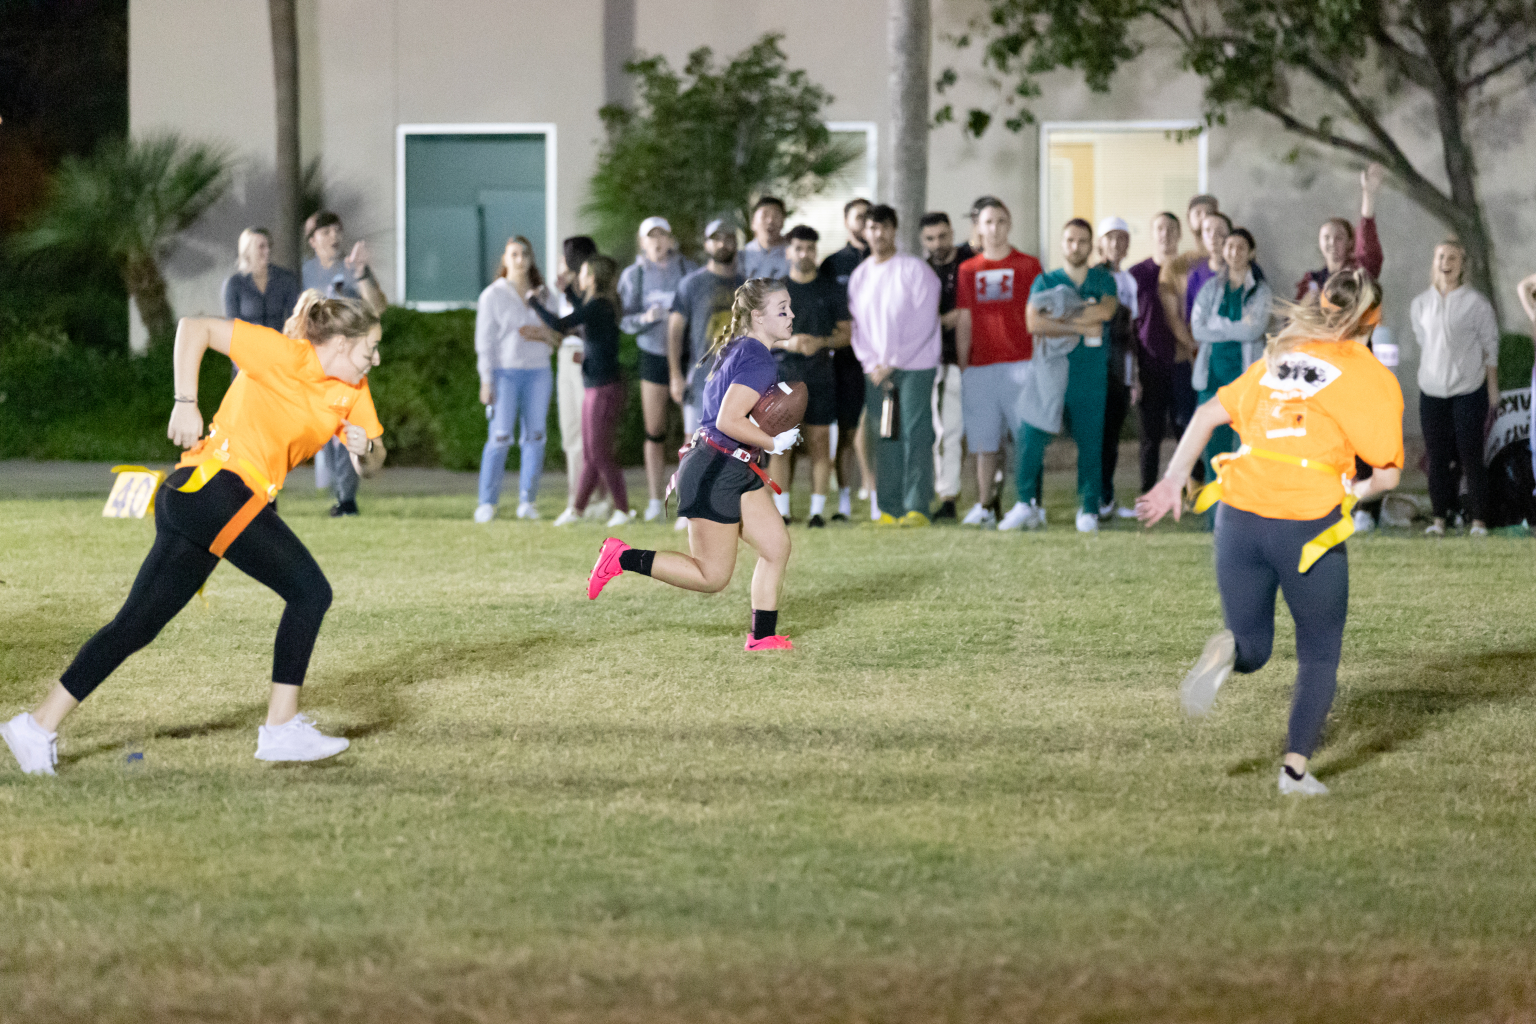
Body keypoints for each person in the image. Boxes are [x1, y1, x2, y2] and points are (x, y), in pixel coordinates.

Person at [1, 297, 388, 774]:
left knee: (136, 626)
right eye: (370, 349)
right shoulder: (285, 354)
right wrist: (185, 403)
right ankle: (281, 729)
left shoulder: (354, 389)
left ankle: (35, 727)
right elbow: (194, 327)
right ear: (343, 343)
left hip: (202, 502)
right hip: (214, 487)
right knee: (310, 592)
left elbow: (373, 463)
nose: (375, 359)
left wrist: (364, 449)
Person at [1137, 268, 1404, 797]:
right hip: (1305, 523)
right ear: (1372, 322)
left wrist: (1171, 481)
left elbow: (1207, 414)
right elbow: (1388, 476)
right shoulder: (1369, 374)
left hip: (1237, 515)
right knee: (1319, 652)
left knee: (1253, 647)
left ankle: (1227, 649)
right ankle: (1293, 773)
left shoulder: (1281, 355)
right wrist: (1352, 492)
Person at [586, 279, 801, 652]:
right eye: (782, 310)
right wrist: (773, 441)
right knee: (711, 576)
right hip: (715, 471)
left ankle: (762, 637)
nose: (791, 315)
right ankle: (621, 557)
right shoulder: (757, 358)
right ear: (757, 316)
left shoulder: (743, 347)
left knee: (776, 546)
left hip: (732, 465)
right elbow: (727, 420)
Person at [1011, 219, 1119, 532]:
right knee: (1030, 436)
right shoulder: (1046, 281)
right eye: (1070, 240)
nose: (1076, 246)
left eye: (1082, 241)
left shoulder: (1103, 280)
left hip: (1089, 375)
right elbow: (1034, 323)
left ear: (1091, 246)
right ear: (1062, 244)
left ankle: (1088, 508)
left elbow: (1105, 313)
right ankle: (1026, 503)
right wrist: (1080, 324)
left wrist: (1057, 316)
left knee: (1090, 444)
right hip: (1049, 374)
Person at [848, 205, 943, 526]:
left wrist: (894, 361)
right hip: (875, 370)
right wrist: (872, 363)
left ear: (894, 230)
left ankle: (917, 506)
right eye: (872, 228)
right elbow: (857, 327)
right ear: (865, 232)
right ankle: (889, 507)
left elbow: (924, 322)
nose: (878, 234)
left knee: (916, 433)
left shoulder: (915, 270)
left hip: (915, 366)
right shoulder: (860, 276)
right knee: (884, 435)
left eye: (884, 227)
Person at [954, 198, 1041, 526]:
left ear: (1009, 224)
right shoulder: (968, 270)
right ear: (978, 227)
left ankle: (1030, 504)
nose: (995, 228)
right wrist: (964, 364)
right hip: (980, 368)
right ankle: (984, 506)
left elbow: (1039, 315)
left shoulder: (1029, 265)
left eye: (1001, 221)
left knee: (1026, 441)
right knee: (983, 443)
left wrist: (1038, 363)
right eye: (988, 222)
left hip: (1022, 364)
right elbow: (964, 320)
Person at [530, 255, 632, 528]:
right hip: (594, 386)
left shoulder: (600, 305)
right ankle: (576, 510)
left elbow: (561, 324)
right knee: (590, 453)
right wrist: (567, 291)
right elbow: (581, 312)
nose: (580, 277)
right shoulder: (599, 305)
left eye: (584, 272)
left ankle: (622, 509)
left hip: (604, 388)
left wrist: (534, 304)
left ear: (593, 278)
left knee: (599, 452)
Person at [1411, 239, 1500, 536]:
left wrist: (1492, 389)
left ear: (1462, 265)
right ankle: (1439, 518)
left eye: (1452, 258)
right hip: (1432, 391)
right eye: (1441, 257)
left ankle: (1478, 520)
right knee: (1437, 458)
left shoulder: (1476, 303)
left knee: (1470, 456)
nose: (1445, 263)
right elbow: (1424, 341)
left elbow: (1490, 347)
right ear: (1434, 261)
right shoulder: (1420, 304)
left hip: (1468, 390)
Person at [302, 210, 387, 517]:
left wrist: (362, 273)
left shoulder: (352, 268)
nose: (334, 237)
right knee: (324, 432)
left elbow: (378, 306)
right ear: (312, 240)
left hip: (347, 362)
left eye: (337, 231)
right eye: (326, 232)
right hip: (316, 363)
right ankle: (338, 491)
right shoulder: (305, 273)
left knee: (347, 428)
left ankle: (347, 500)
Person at [768, 225, 849, 527]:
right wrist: (788, 342)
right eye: (799, 248)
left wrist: (822, 342)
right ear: (788, 251)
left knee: (819, 442)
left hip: (821, 376)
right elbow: (758, 334)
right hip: (783, 376)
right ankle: (782, 512)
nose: (804, 254)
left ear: (816, 251)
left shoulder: (830, 288)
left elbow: (846, 334)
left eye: (810, 249)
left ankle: (817, 512)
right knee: (781, 445)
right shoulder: (775, 291)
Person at [618, 217, 698, 521]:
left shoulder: (688, 270)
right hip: (652, 355)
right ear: (642, 242)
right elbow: (623, 320)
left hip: (688, 356)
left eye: (662, 235)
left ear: (670, 239)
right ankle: (655, 500)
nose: (657, 241)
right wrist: (646, 318)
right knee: (655, 431)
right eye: (651, 236)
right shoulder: (634, 275)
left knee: (691, 433)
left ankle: (687, 500)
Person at [669, 220, 746, 531]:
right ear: (706, 244)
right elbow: (675, 330)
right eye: (716, 238)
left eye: (728, 237)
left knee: (737, 446)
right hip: (703, 377)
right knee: (694, 445)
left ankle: (727, 505)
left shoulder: (748, 285)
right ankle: (688, 507)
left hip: (740, 378)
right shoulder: (691, 284)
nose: (723, 243)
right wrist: (675, 374)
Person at [473, 236, 555, 523]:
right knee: (500, 436)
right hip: (504, 373)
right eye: (514, 254)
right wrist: (486, 380)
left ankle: (527, 501)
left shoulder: (543, 295)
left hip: (538, 372)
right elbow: (485, 341)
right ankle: (487, 502)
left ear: (531, 259)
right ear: (505, 259)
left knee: (535, 436)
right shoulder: (493, 295)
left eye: (525, 254)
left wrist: (543, 334)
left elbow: (558, 331)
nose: (520, 260)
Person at [1190, 227, 1273, 482]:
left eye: (1241, 247)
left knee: (1244, 446)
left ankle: (1238, 503)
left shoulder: (1261, 291)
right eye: (1230, 246)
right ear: (1223, 251)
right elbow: (1197, 329)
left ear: (1251, 253)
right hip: (1212, 377)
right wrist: (1236, 327)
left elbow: (1254, 330)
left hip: (1244, 378)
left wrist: (1217, 324)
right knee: (1212, 445)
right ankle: (1214, 502)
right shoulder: (1211, 288)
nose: (1235, 252)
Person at [546, 236, 610, 521]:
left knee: (590, 436)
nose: (562, 261)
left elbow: (587, 325)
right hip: (565, 358)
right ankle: (577, 498)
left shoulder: (591, 289)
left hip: (584, 363)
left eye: (566, 256)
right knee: (571, 433)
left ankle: (597, 500)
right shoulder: (565, 289)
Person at [818, 197, 873, 519]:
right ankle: (844, 501)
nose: (864, 222)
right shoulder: (832, 264)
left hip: (882, 355)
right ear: (846, 221)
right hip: (845, 357)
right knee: (848, 430)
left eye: (869, 216)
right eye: (858, 216)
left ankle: (877, 493)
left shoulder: (883, 259)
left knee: (882, 428)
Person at [1129, 213, 1187, 498]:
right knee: (1150, 435)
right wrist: (1133, 371)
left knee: (1185, 429)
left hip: (1183, 363)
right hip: (1150, 364)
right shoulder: (1137, 274)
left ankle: (1191, 491)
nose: (1165, 234)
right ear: (1153, 234)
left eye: (1171, 229)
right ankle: (1148, 491)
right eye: (1160, 228)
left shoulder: (1189, 271)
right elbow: (1130, 325)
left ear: (1179, 234)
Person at [1159, 195, 1220, 438]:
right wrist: (1193, 346)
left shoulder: (1233, 260)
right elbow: (1172, 315)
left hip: (1226, 357)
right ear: (1189, 221)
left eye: (1209, 212)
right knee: (1190, 425)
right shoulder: (1176, 265)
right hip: (1187, 356)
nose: (1203, 217)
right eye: (1198, 213)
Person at [921, 212, 965, 520]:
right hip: (942, 362)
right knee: (946, 432)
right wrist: (949, 319)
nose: (937, 243)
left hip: (979, 359)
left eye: (942, 236)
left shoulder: (970, 262)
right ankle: (948, 497)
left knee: (990, 436)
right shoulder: (921, 272)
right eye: (930, 238)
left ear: (951, 232)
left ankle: (991, 499)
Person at [1095, 216, 1138, 519]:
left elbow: (1132, 330)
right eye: (1110, 238)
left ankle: (1106, 498)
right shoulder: (1094, 277)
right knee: (1097, 438)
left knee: (1111, 439)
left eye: (1121, 238)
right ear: (1100, 243)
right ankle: (1094, 498)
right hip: (1099, 369)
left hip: (1121, 370)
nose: (1116, 244)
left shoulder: (1130, 281)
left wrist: (1134, 375)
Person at [1296, 164, 1385, 299]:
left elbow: (1367, 248)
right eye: (1326, 237)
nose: (1332, 242)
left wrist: (1368, 195)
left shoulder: (1358, 275)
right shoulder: (1312, 281)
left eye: (1339, 238)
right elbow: (1295, 310)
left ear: (1350, 243)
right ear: (1319, 242)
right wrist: (1311, 302)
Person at [222, 227, 301, 335]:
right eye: (261, 246)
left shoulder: (286, 279)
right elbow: (232, 325)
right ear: (247, 250)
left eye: (268, 246)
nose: (267, 251)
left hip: (280, 342)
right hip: (248, 343)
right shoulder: (235, 283)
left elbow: (296, 317)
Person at [741, 196, 791, 279]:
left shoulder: (792, 255)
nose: (770, 220)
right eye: (764, 215)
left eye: (776, 216)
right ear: (753, 223)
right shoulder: (742, 256)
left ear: (783, 222)